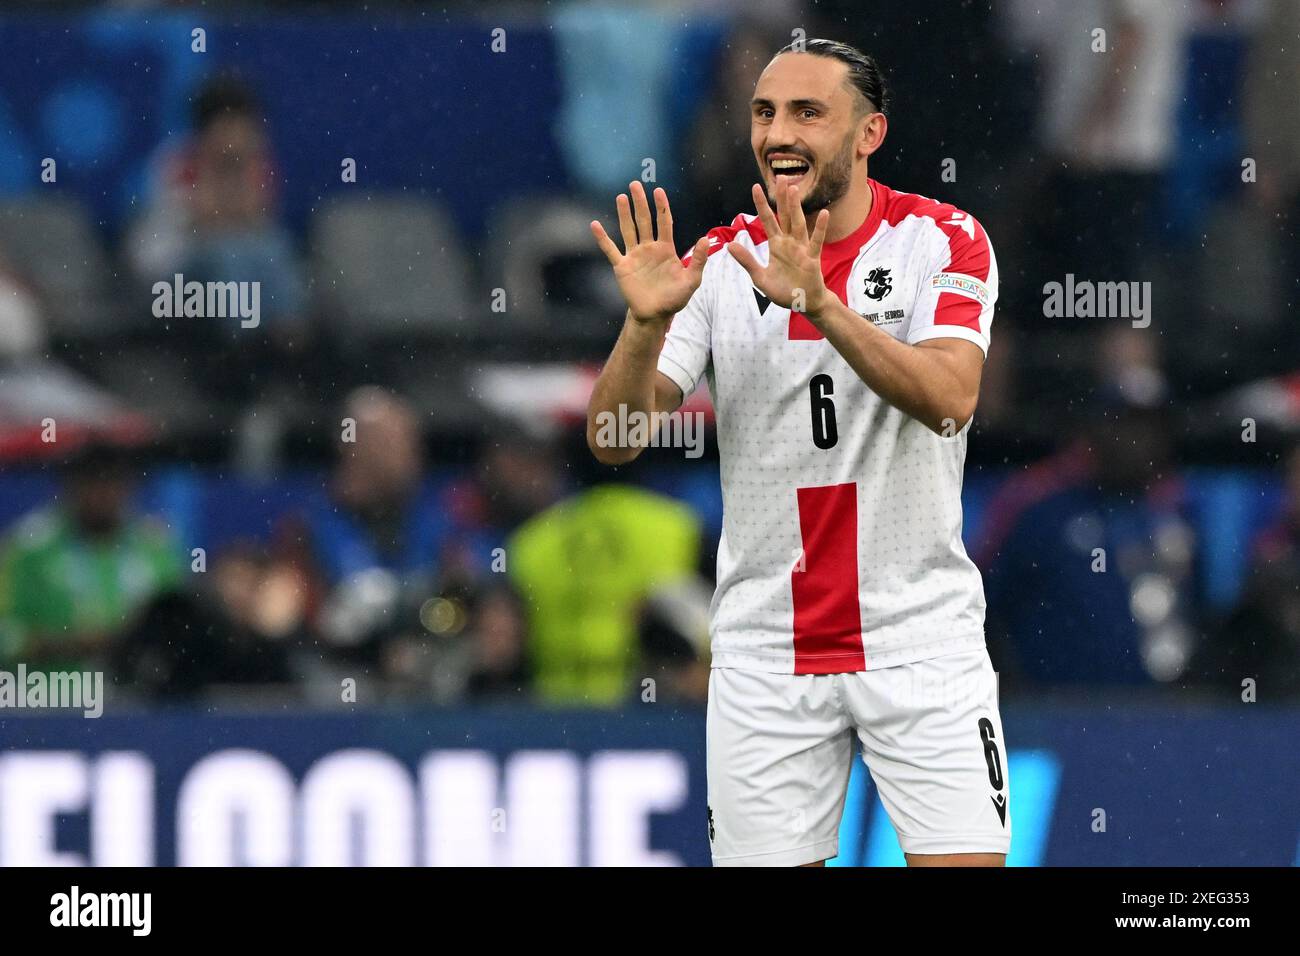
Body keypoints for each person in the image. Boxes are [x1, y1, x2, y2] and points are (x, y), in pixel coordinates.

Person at [587, 40, 1008, 867]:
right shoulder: (716, 264)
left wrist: (821, 302)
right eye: (765, 112)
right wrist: (641, 327)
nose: (780, 132)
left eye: (808, 112)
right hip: (768, 647)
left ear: (868, 132)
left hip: (918, 636)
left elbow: (951, 400)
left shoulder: (944, 240)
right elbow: (612, 439)